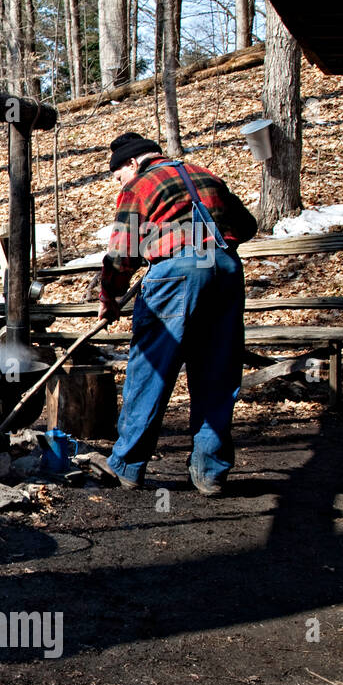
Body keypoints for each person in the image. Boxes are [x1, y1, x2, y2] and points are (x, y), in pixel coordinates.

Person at [98, 131, 256, 495]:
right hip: (226, 270)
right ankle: (210, 472)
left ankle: (126, 465)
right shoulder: (206, 175)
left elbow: (122, 253)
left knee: (151, 368)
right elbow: (247, 226)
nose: (119, 183)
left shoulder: (140, 185)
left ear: (132, 162)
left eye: (118, 175)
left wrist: (109, 296)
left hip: (178, 273)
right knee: (217, 371)